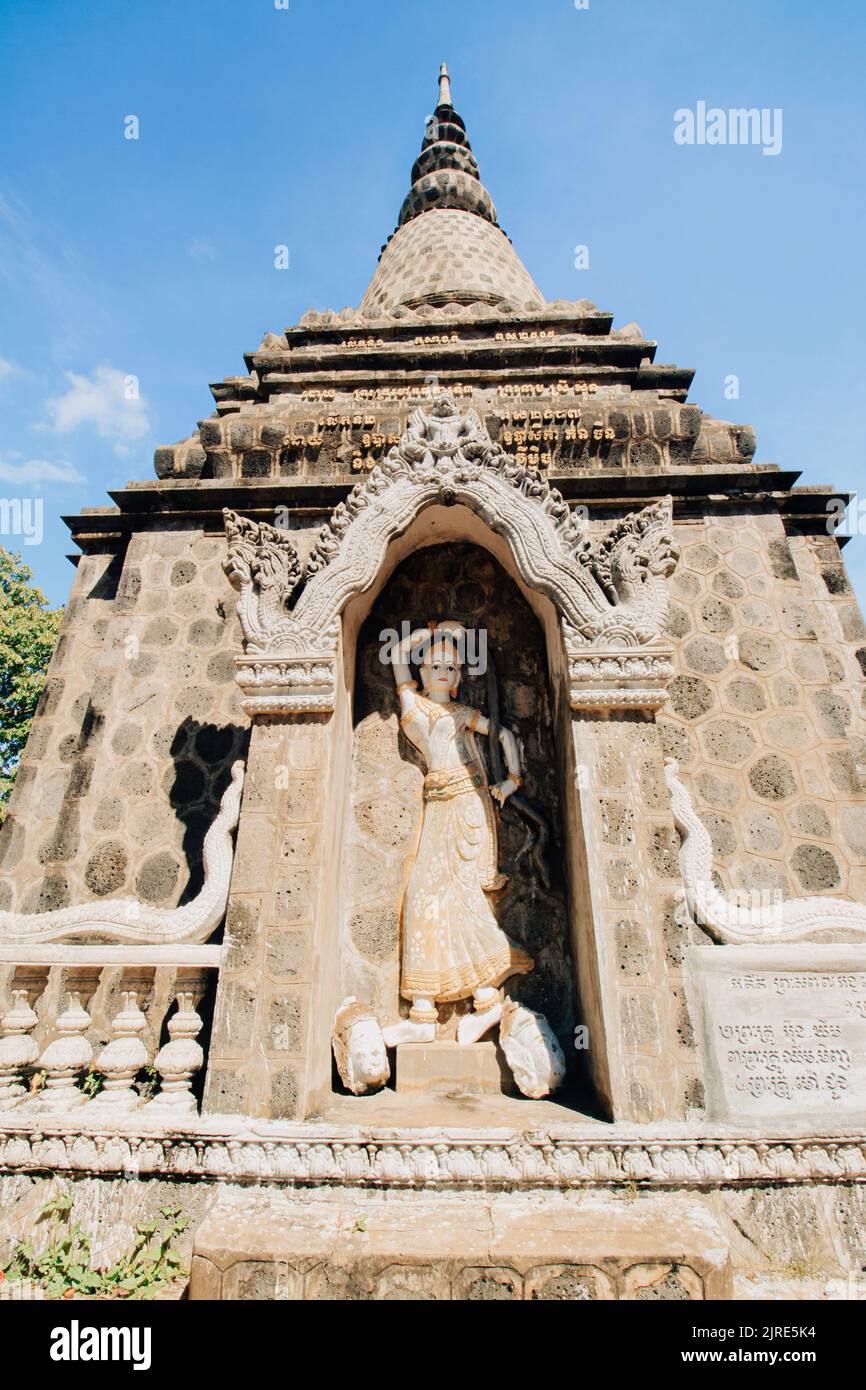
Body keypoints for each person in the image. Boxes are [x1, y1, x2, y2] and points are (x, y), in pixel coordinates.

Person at [382, 621, 533, 1047]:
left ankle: (481, 1005)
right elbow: (395, 656)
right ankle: (431, 1012)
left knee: (461, 896)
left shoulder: (462, 714)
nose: (443, 673)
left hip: (467, 802)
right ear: (423, 671)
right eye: (434, 666)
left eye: (451, 667)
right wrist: (432, 632)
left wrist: (512, 781)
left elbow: (503, 734)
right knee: (424, 898)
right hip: (438, 802)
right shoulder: (413, 704)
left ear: (460, 676)